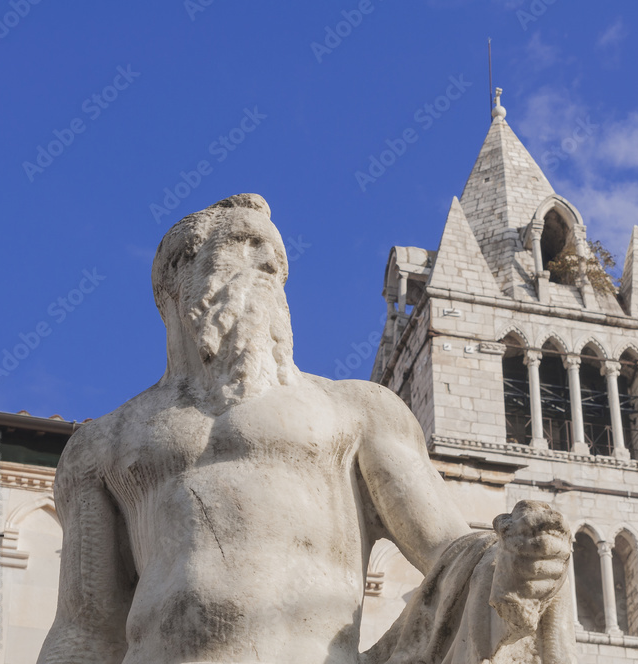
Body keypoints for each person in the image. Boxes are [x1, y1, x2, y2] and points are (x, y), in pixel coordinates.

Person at [38, 194, 576, 664]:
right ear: (176, 275)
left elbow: (450, 551)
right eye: (246, 248)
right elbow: (85, 629)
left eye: (273, 258)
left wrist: (514, 563)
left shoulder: (360, 410)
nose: (267, 267)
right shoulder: (103, 443)